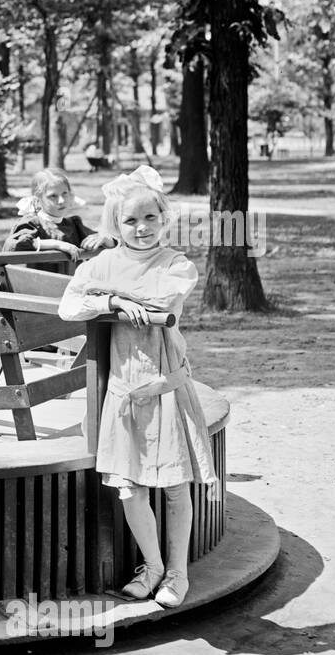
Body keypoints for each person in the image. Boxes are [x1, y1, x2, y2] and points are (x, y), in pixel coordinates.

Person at [57, 165, 216, 608]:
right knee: (129, 486)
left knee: (174, 485)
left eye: (150, 218)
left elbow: (164, 300)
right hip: (124, 389)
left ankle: (178, 574)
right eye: (130, 221)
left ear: (164, 218)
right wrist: (111, 302)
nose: (141, 228)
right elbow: (70, 305)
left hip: (164, 385)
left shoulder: (176, 264)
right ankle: (153, 566)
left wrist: (117, 296)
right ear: (115, 224)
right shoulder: (105, 263)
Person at [3, 167, 115, 263]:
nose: (61, 200)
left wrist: (105, 240)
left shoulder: (74, 225)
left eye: (64, 194)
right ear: (38, 200)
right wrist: (57, 244)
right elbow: (13, 246)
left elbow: (99, 242)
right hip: (40, 285)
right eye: (53, 196)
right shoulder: (32, 224)